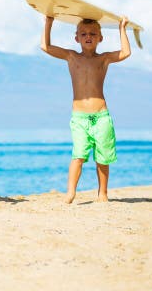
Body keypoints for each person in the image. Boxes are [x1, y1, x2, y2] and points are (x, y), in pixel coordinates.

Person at [41, 16, 131, 203]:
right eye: (83, 34)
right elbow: (46, 47)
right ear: (77, 38)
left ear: (100, 38)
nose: (88, 37)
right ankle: (71, 193)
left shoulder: (104, 59)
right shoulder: (71, 57)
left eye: (92, 34)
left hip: (101, 116)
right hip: (80, 118)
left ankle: (103, 193)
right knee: (78, 155)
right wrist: (48, 22)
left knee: (103, 157)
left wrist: (122, 27)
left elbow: (126, 52)